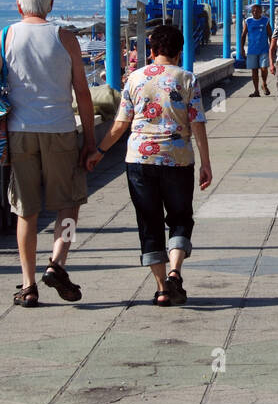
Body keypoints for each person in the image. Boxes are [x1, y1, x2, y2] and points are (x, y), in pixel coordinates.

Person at [0, 0, 96, 308]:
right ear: (51, 5)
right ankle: (57, 263)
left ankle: (28, 285)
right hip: (60, 129)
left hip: (20, 130)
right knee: (69, 202)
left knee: (26, 210)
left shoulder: (5, 35)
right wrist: (90, 140)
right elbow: (83, 94)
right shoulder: (66, 38)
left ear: (19, 6)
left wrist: (7, 101)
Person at [87, 23, 213, 307]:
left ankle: (161, 289)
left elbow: (120, 125)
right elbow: (197, 122)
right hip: (178, 158)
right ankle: (174, 272)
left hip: (140, 161)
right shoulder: (187, 78)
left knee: (149, 222)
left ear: (153, 51)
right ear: (180, 52)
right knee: (180, 218)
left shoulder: (134, 78)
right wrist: (206, 163)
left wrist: (98, 151)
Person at [244, 3, 272, 96]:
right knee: (254, 71)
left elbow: (270, 35)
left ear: (261, 11)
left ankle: (264, 84)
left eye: (257, 10)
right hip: (252, 50)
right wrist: (241, 49)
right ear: (251, 11)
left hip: (264, 49)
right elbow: (243, 35)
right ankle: (256, 91)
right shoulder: (248, 21)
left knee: (264, 69)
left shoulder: (266, 21)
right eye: (253, 10)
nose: (255, 12)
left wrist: (272, 48)